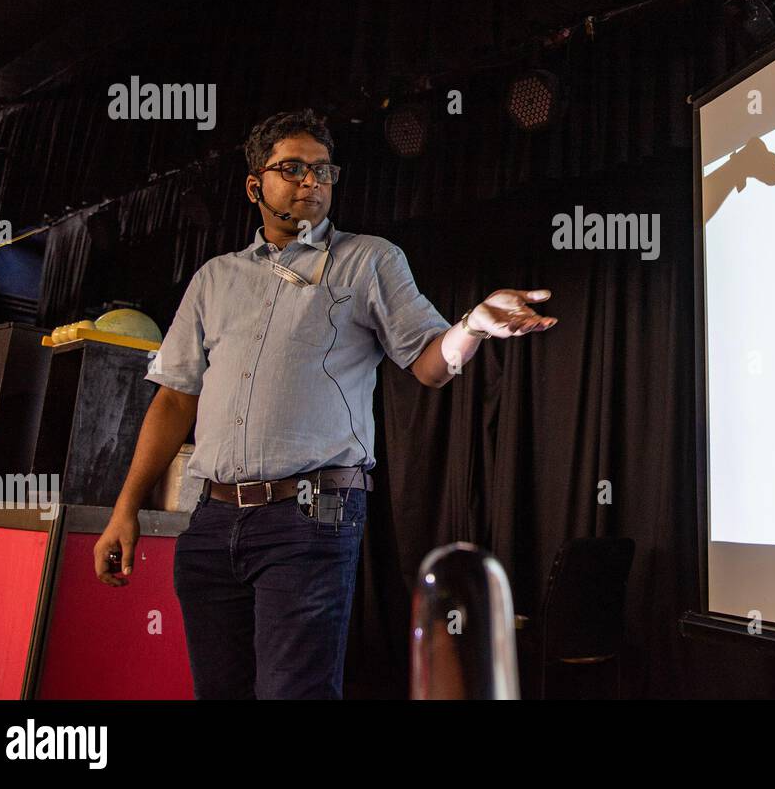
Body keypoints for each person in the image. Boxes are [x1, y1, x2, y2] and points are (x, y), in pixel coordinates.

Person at [92, 108, 556, 699]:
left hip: (312, 515)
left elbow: (430, 364)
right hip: (209, 522)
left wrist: (474, 324)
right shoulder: (214, 278)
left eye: (323, 171)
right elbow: (175, 400)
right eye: (293, 169)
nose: (312, 182)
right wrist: (124, 510)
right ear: (255, 185)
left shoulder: (369, 261)